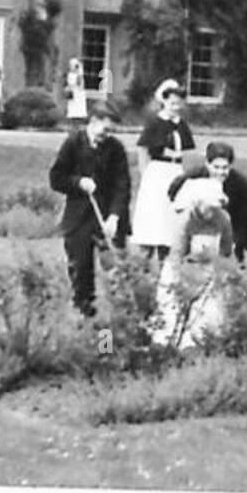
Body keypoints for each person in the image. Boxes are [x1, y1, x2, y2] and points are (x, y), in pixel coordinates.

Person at [48, 99, 130, 317]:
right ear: (93, 121)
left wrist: (114, 217)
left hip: (108, 218)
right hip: (79, 219)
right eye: (105, 129)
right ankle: (85, 316)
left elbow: (122, 186)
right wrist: (78, 183)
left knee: (117, 272)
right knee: (81, 271)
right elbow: (56, 179)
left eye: (112, 131)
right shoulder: (73, 143)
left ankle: (119, 317)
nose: (107, 134)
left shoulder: (116, 149)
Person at [153, 166, 235, 349]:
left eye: (215, 207)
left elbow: (226, 251)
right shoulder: (185, 221)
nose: (211, 211)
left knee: (209, 318)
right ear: (198, 203)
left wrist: (223, 275)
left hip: (209, 271)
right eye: (208, 207)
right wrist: (182, 284)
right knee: (171, 314)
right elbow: (176, 257)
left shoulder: (223, 219)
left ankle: (200, 348)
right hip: (184, 270)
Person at [131, 80, 195, 258]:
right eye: (172, 103)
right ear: (164, 102)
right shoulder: (156, 122)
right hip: (158, 170)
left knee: (171, 212)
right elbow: (143, 148)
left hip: (175, 170)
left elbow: (187, 150)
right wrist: (144, 172)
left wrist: (187, 175)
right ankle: (147, 252)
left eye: (178, 104)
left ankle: (166, 255)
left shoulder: (180, 124)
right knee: (155, 211)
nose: (175, 107)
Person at [205, 141, 247, 266]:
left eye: (225, 168)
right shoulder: (196, 179)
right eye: (216, 167)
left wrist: (239, 240)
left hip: (234, 226)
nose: (220, 172)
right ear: (207, 164)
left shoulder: (241, 184)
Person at [65, 57, 88, 122]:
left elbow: (79, 83)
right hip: (73, 93)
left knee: (78, 110)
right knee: (72, 109)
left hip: (78, 93)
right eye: (70, 65)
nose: (70, 67)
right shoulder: (70, 74)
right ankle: (73, 122)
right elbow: (70, 83)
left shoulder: (79, 75)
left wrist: (80, 72)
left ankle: (78, 122)